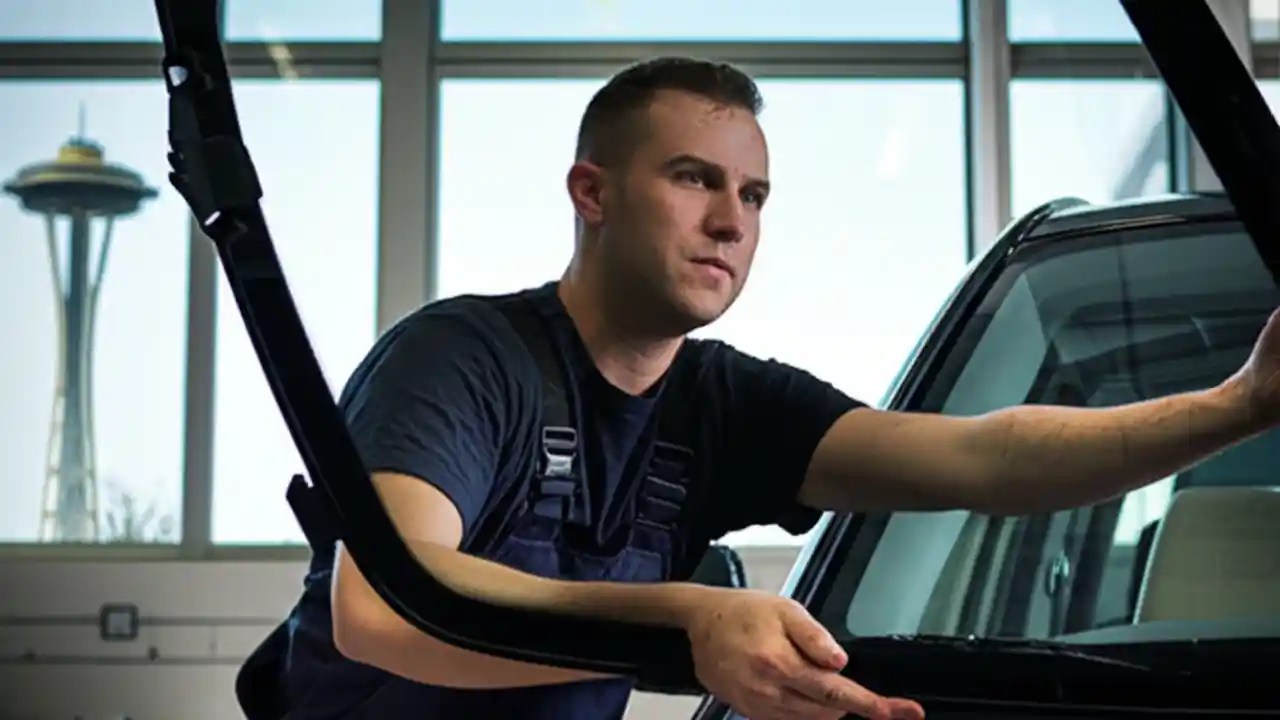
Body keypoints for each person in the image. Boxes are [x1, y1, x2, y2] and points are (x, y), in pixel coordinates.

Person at [279, 56, 1280, 720]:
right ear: (591, 193)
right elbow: (387, 606)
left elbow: (984, 457)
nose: (730, 222)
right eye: (691, 179)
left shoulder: (723, 406)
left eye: (750, 194)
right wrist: (689, 617)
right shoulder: (461, 360)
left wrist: (1237, 403)